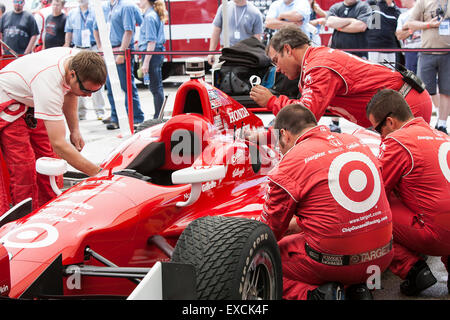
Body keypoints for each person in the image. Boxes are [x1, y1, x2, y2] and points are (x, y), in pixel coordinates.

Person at [260, 103, 393, 300]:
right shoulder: (356, 141)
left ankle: (318, 295)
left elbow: (270, 229)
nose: (281, 149)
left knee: (266, 260)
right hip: (383, 256)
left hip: (336, 262)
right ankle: (355, 288)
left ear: (285, 135)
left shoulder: (292, 160)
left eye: (279, 144)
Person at [249, 26, 432, 129]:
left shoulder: (318, 66)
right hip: (402, 103)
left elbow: (306, 115)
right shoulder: (316, 59)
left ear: (287, 49)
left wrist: (272, 101)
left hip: (404, 105)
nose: (278, 70)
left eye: (276, 61)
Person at [0, 48, 107, 214]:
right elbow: (58, 144)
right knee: (24, 167)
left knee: (49, 159)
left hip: (31, 97)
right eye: (87, 91)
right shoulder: (49, 83)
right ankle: (24, 219)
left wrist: (75, 130)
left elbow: (71, 93)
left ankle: (51, 210)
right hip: (7, 99)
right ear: (72, 75)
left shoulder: (81, 62)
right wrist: (99, 174)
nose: (89, 96)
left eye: (94, 91)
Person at [366, 89, 450, 295]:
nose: (380, 136)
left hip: (437, 234)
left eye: (378, 130)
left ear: (391, 122)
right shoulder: (441, 135)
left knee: (367, 213)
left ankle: (413, 269)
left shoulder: (398, 141)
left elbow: (373, 193)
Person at [94, 0, 144, 130]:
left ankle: (136, 117)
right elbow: (96, 28)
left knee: (126, 86)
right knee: (110, 86)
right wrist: (100, 47)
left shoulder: (126, 6)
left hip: (121, 50)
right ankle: (116, 117)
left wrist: (122, 51)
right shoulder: (104, 7)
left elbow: (129, 30)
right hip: (108, 51)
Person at [403, 0, 450, 134]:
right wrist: (429, 24)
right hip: (426, 52)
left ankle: (442, 125)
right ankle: (423, 124)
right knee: (422, 90)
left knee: (446, 91)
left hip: (447, 53)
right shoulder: (424, 2)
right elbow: (410, 23)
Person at [325, 0, 372, 133]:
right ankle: (335, 123)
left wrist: (339, 25)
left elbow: (361, 26)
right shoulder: (335, 7)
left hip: (357, 56)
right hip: (337, 56)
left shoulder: (363, 7)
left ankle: (368, 122)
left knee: (362, 91)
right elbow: (329, 22)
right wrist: (350, 21)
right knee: (336, 90)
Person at [64, 0, 106, 121]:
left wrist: (100, 47)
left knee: (96, 79)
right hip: (78, 48)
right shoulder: (72, 13)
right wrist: (67, 45)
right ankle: (80, 113)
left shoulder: (96, 12)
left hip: (92, 48)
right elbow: (69, 31)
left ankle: (100, 111)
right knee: (78, 81)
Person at [207, 0, 263, 66]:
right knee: (219, 74)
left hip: (245, 55)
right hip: (225, 52)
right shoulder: (224, 8)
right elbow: (216, 31)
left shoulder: (255, 12)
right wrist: (211, 52)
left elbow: (257, 39)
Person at [138, 0, 166, 119]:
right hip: (156, 53)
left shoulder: (149, 17)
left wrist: (146, 62)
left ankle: (158, 116)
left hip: (152, 54)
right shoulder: (153, 14)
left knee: (155, 87)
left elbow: (151, 41)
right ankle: (159, 114)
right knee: (156, 86)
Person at [366, 0, 401, 66]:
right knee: (372, 74)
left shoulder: (397, 12)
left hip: (390, 51)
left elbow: (398, 33)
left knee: (389, 75)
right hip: (372, 50)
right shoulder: (370, 4)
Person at [395, 0, 421, 74]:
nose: (400, 1)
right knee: (412, 79)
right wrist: (412, 30)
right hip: (410, 51)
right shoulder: (403, 16)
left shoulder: (424, 11)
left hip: (425, 50)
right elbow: (399, 36)